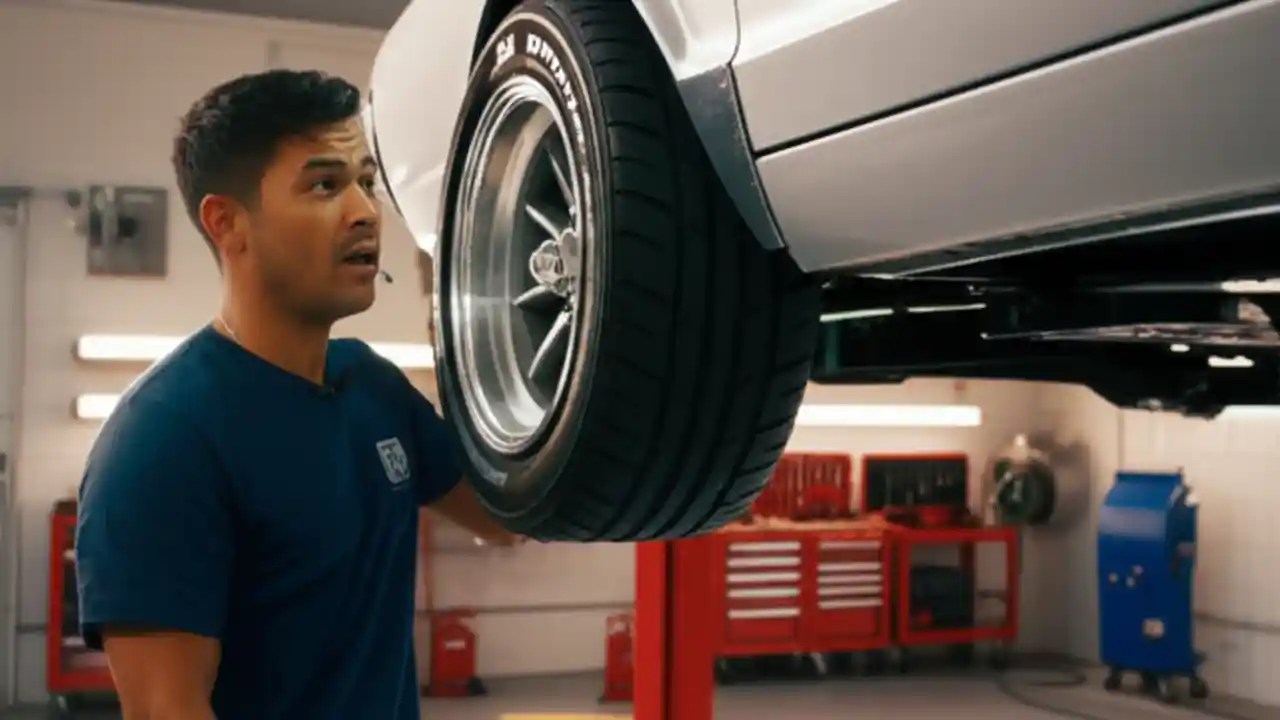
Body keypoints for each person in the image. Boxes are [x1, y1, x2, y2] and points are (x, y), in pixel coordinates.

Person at [74, 69, 520, 720]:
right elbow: (168, 711)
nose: (366, 211)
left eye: (366, 182)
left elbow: (507, 518)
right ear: (228, 223)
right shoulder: (161, 441)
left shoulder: (372, 385)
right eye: (324, 184)